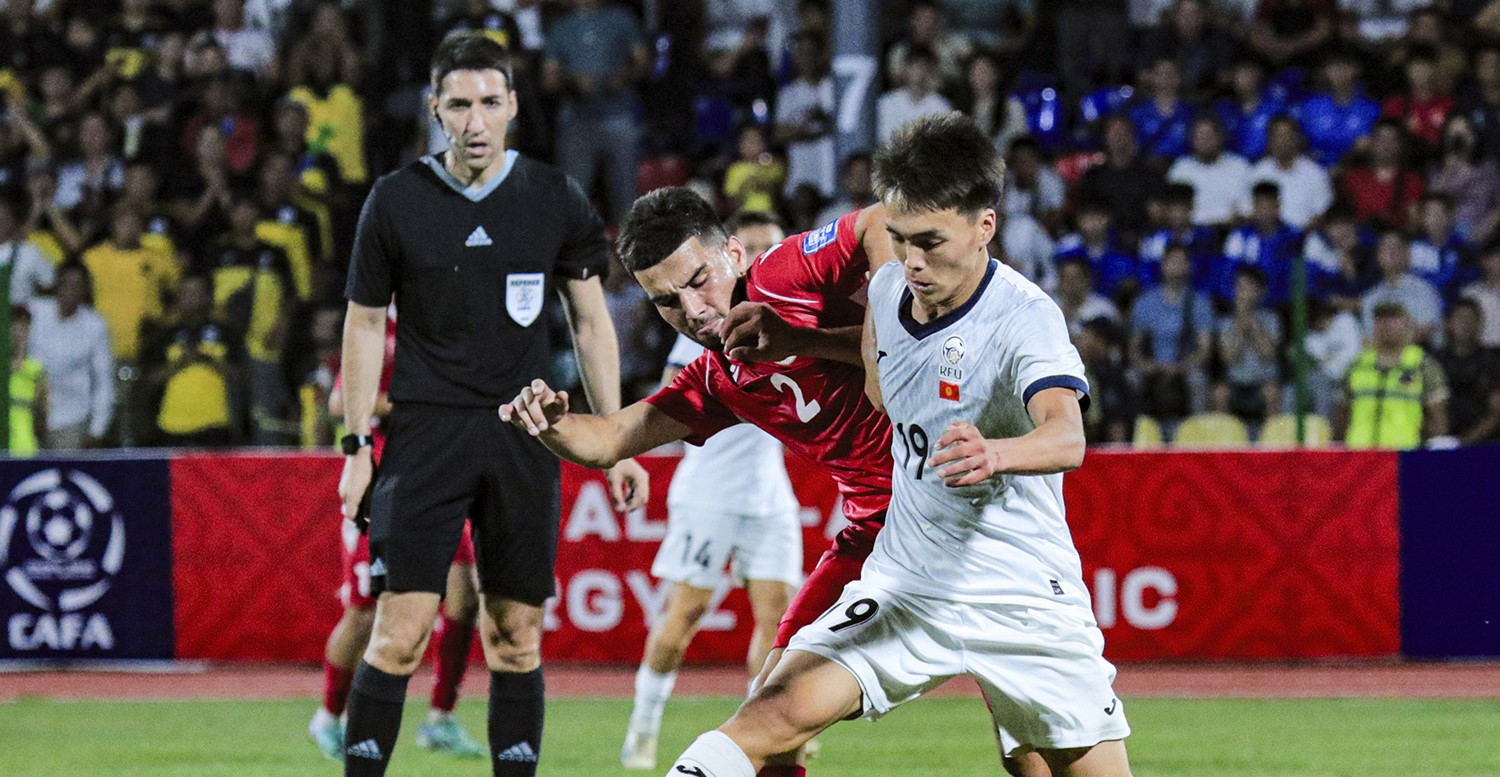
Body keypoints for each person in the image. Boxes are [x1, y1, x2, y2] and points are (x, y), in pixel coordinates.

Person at [660, 112, 1132, 777]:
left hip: (1022, 588)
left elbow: (1066, 433)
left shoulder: (1026, 318)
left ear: (984, 226)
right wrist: (798, 342)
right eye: (901, 239)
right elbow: (881, 373)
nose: (912, 260)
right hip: (909, 579)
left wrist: (997, 452)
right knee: (774, 709)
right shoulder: (889, 289)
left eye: (931, 240)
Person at [502, 187, 902, 777]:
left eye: (697, 281)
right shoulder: (718, 377)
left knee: (1038, 738)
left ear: (734, 253)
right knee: (771, 703)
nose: (691, 309)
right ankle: (643, 733)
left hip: (961, 501)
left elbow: (883, 219)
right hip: (878, 531)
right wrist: (550, 425)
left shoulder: (781, 272)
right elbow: (611, 438)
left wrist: (879, 340)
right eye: (666, 301)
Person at [336, 33, 648, 776]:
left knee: (516, 634)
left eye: (489, 103)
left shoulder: (553, 196)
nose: (474, 121)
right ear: (435, 111)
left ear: (512, 106)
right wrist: (354, 450)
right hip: (422, 435)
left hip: (522, 437)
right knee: (399, 634)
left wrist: (616, 439)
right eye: (458, 105)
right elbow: (363, 322)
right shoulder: (396, 199)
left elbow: (592, 320)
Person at [620, 213, 804, 774]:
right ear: (732, 253)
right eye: (758, 246)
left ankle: (765, 732)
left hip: (767, 493)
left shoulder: (783, 312)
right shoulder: (706, 331)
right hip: (709, 493)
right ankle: (641, 733)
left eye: (775, 245)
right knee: (685, 615)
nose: (768, 256)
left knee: (778, 626)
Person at [310, 309, 489, 763]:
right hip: (380, 484)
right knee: (367, 614)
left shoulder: (444, 327)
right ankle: (329, 716)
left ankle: (440, 718)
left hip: (438, 479)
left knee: (465, 595)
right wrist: (416, 404)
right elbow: (338, 404)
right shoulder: (374, 325)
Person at [541, 0, 649, 227]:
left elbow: (643, 62)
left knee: (625, 194)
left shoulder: (620, 18)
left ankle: (629, 255)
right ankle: (576, 257)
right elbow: (548, 80)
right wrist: (573, 82)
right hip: (576, 119)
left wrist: (623, 76)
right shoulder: (560, 27)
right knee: (574, 196)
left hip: (618, 115)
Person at [1336, 301, 1449, 449]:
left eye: (1394, 318)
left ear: (1407, 323)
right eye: (1380, 319)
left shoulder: (1422, 366)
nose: (1386, 324)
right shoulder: (1356, 366)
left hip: (1404, 458)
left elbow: (1438, 420)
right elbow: (1341, 415)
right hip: (1360, 457)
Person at [27, 262, 113, 450]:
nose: (70, 290)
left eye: (77, 285)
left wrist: (97, 429)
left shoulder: (94, 325)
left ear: (85, 290)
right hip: (28, 417)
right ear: (56, 284)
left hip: (71, 419)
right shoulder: (34, 312)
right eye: (66, 283)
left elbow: (103, 378)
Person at [1433, 299, 1500, 443]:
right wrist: (1441, 441)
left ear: (1480, 324)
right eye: (1461, 318)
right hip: (1439, 443)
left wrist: (1464, 442)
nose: (1466, 324)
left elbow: (1496, 412)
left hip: (1483, 445)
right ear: (1448, 323)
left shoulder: (1493, 360)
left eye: (1471, 319)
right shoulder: (1433, 360)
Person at [7, 305, 45, 457]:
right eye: (14, 327)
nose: (18, 334)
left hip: (26, 451)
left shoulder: (37, 372)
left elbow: (42, 419)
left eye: (24, 328)